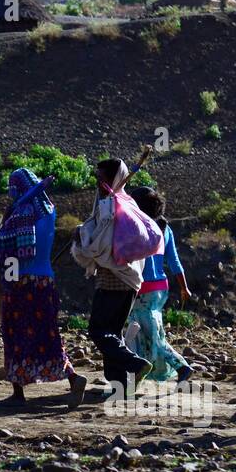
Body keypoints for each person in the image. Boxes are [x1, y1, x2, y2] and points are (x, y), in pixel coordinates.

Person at [0, 168, 88, 409]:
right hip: (46, 281)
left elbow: (14, 255)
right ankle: (73, 378)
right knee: (47, 334)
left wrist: (8, 283)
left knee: (14, 334)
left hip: (23, 283)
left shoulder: (22, 213)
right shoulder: (48, 210)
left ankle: (18, 393)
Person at [76, 158, 152, 395]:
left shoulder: (112, 207)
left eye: (102, 178)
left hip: (114, 279)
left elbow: (100, 246)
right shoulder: (125, 204)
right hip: (129, 280)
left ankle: (135, 363)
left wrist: (81, 239)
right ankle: (121, 386)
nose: (97, 182)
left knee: (98, 331)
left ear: (112, 179)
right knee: (113, 333)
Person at [126, 186, 193, 384]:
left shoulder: (138, 227)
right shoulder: (166, 228)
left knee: (145, 333)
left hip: (142, 288)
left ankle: (181, 366)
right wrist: (184, 287)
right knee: (149, 331)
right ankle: (139, 374)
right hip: (160, 288)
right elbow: (174, 262)